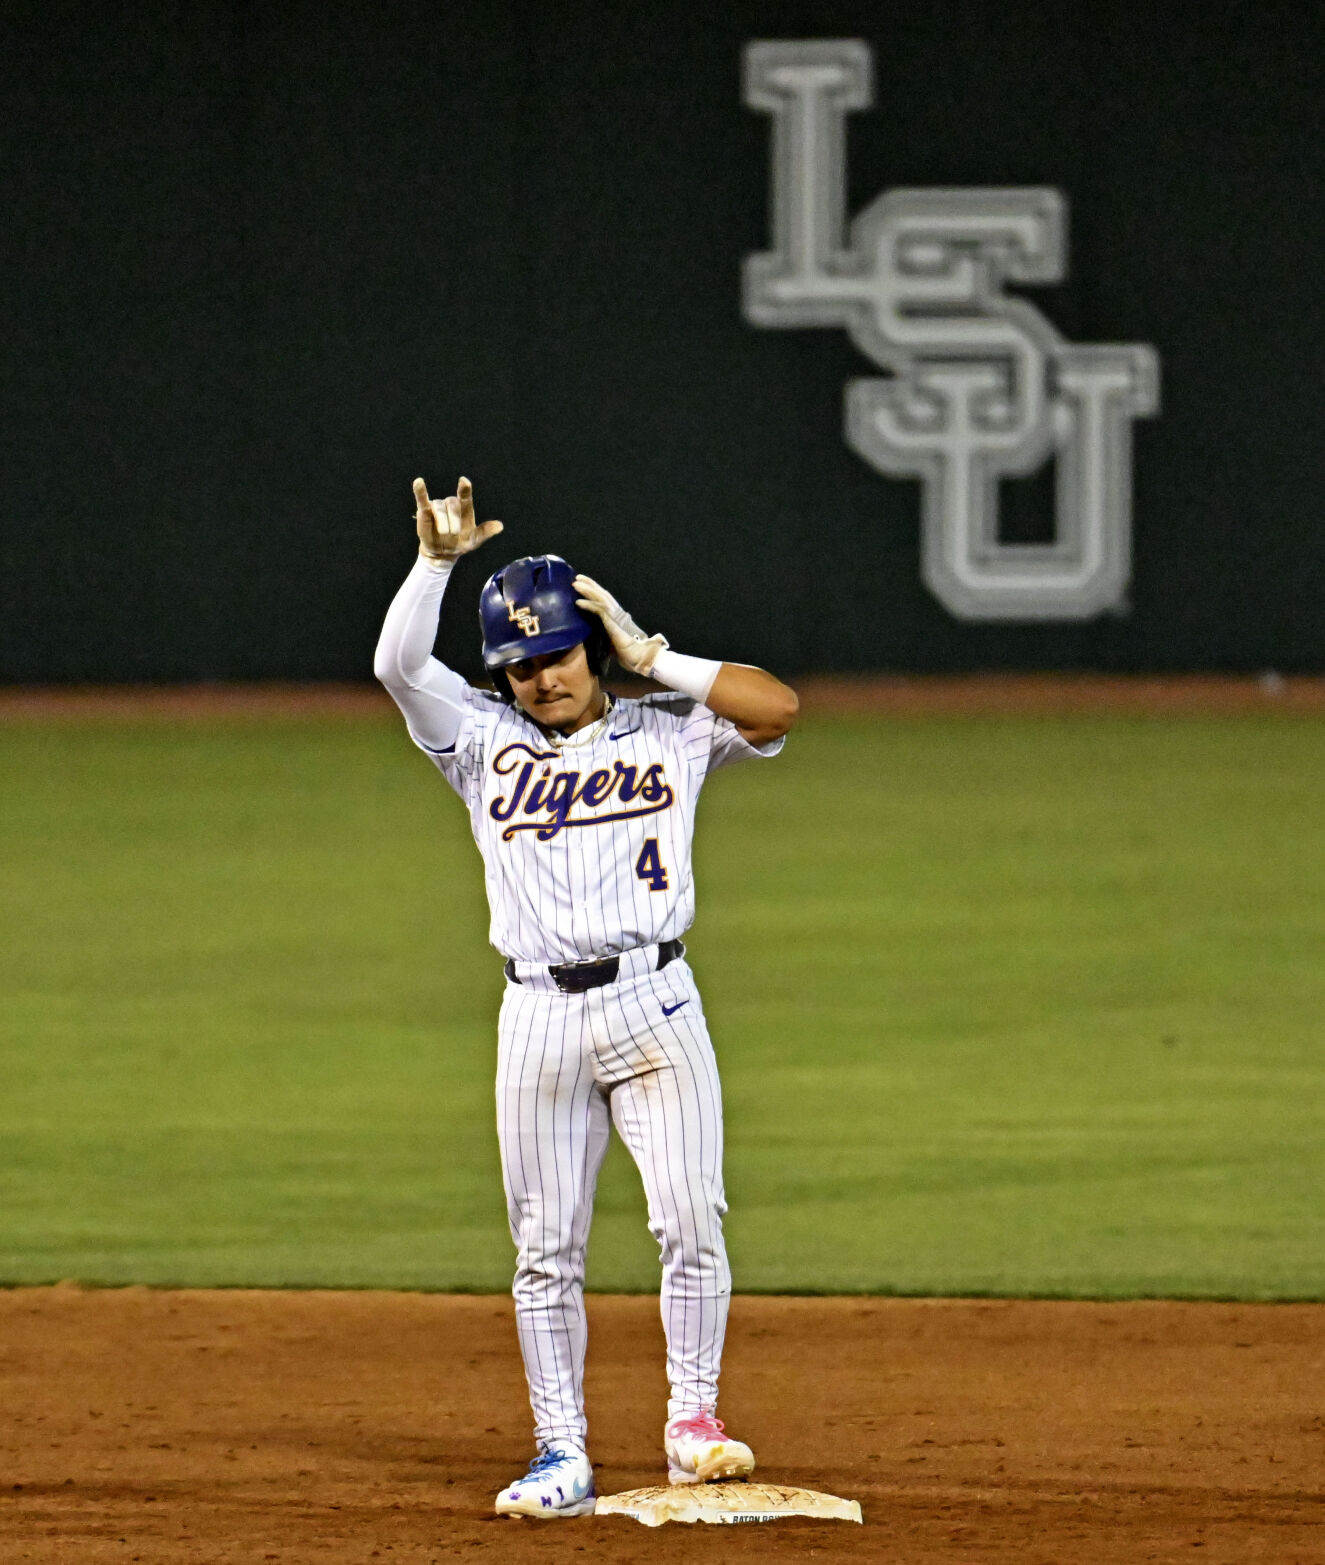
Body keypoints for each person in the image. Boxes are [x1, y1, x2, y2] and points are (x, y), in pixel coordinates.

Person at [373, 475, 798, 1518]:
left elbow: (777, 707)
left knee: (690, 1216)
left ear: (591, 648)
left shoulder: (670, 728)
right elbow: (396, 666)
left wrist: (655, 657)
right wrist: (433, 564)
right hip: (538, 1020)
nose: (539, 678)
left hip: (657, 1004)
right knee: (545, 1248)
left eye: (557, 653)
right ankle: (558, 1448)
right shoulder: (480, 741)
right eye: (518, 665)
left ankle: (693, 1422)